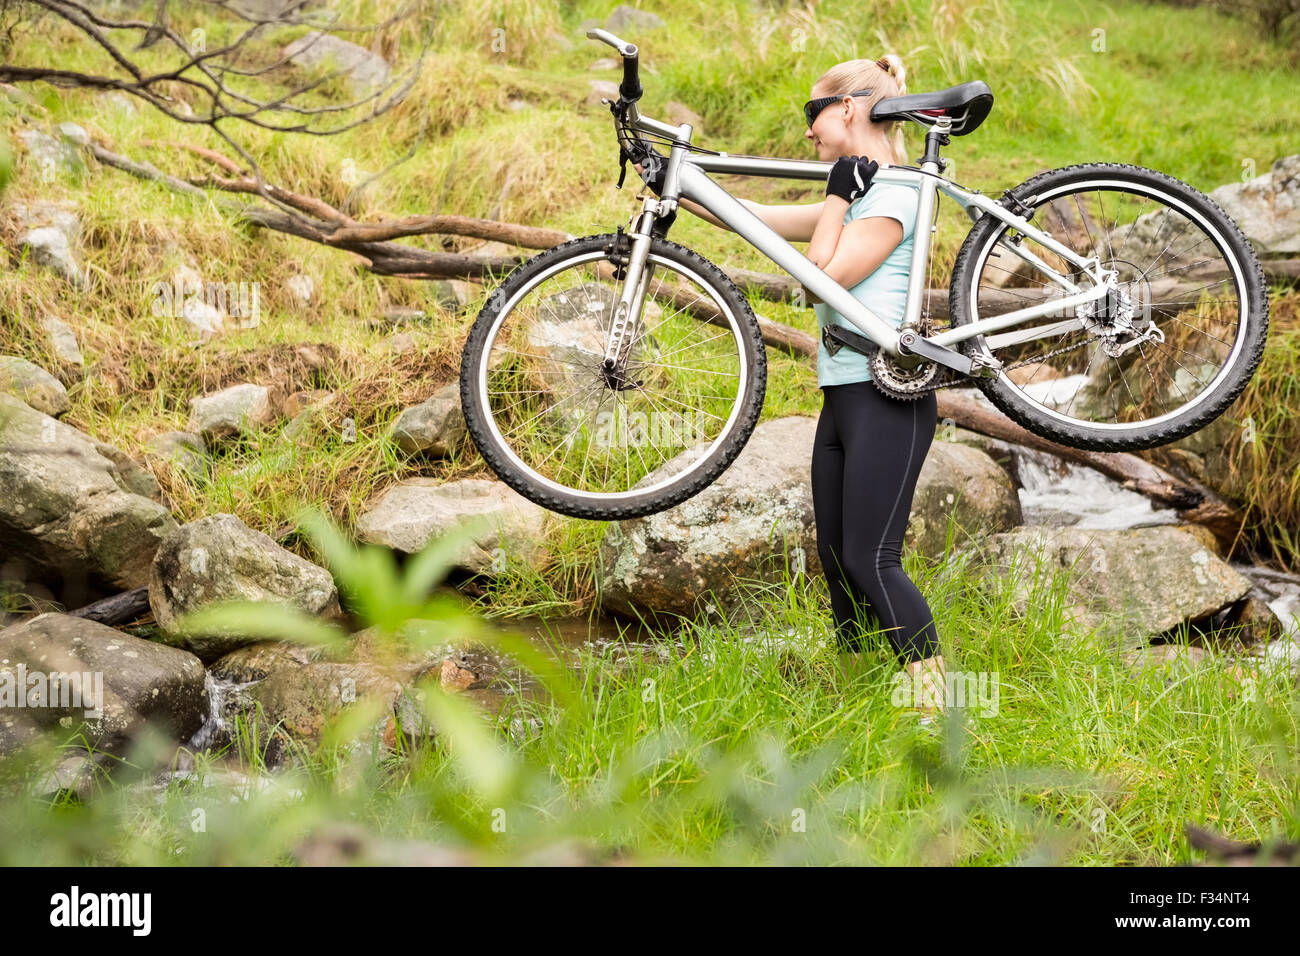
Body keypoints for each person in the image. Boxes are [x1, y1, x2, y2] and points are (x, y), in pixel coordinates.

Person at [639, 54, 946, 720]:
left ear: (848, 108)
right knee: (838, 561)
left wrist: (836, 195)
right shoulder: (859, 189)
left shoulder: (890, 192)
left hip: (887, 401)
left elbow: (819, 282)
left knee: (875, 558)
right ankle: (859, 701)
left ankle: (938, 708)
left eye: (813, 113)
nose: (807, 131)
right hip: (842, 401)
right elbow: (750, 219)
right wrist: (679, 184)